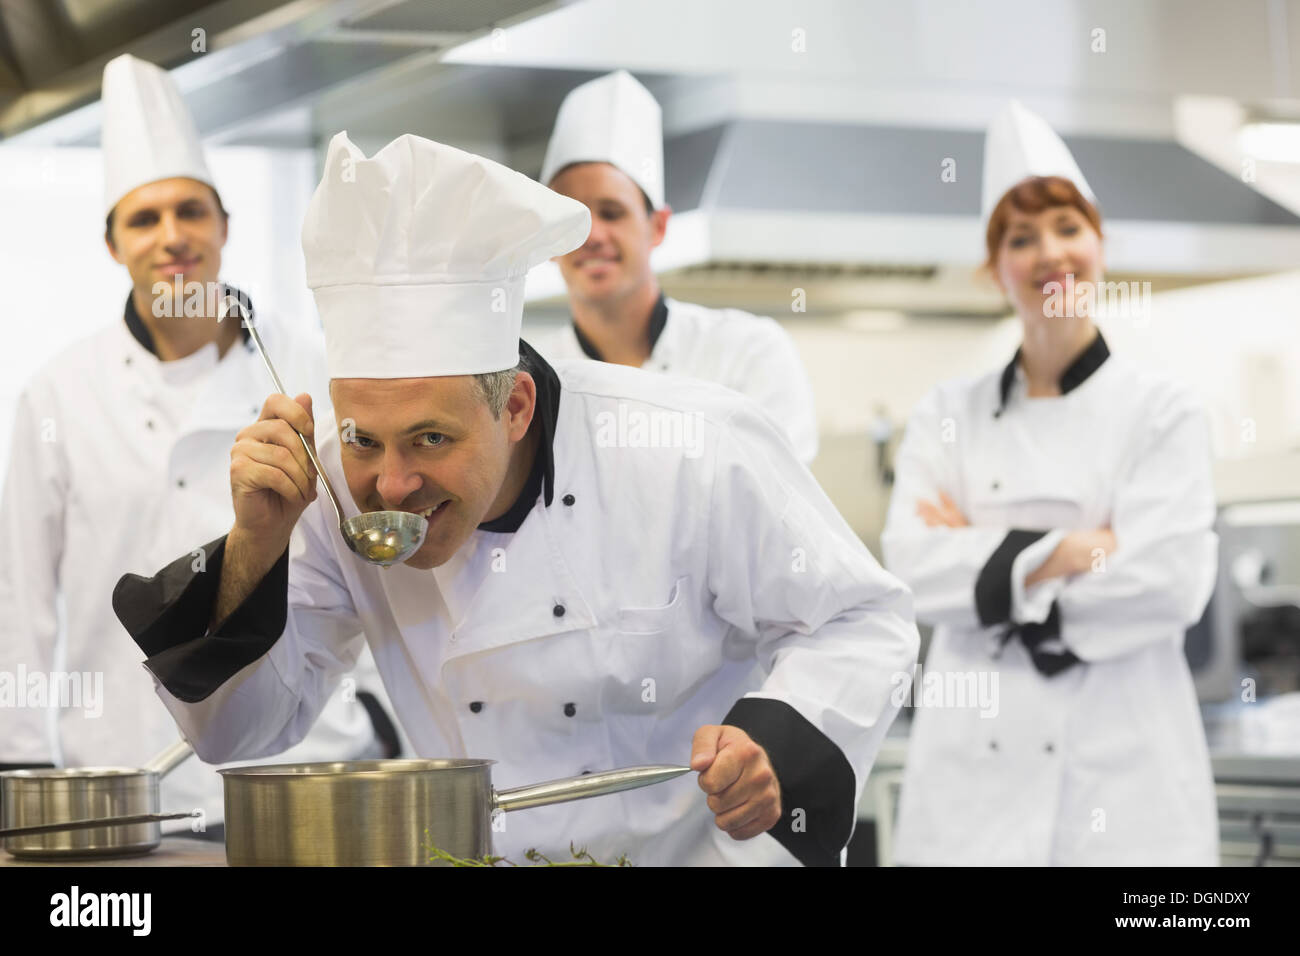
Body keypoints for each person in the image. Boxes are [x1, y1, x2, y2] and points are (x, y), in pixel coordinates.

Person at [111, 131, 919, 866]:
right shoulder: (328, 493)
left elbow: (863, 620)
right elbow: (235, 735)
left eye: (430, 439)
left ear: (516, 406)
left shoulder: (687, 448)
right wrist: (256, 545)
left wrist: (775, 742)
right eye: (364, 439)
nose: (390, 486)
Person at [0, 55, 394, 835]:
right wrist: (21, 765)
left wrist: (377, 721)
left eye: (190, 210)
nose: (172, 236)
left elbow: (374, 561)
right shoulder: (58, 391)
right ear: (114, 245)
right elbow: (20, 597)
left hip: (297, 770)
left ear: (225, 227)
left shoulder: (311, 364)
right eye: (144, 219)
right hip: (117, 778)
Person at [881, 101, 1219, 865]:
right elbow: (909, 570)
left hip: (1123, 788)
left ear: (1100, 245)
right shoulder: (948, 411)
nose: (1048, 254)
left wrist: (982, 558)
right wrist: (1073, 551)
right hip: (972, 797)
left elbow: (1169, 582)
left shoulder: (1161, 410)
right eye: (1020, 237)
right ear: (993, 266)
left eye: (1068, 228)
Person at [533, 70, 819, 464]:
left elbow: (771, 504)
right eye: (573, 219)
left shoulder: (747, 353)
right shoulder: (530, 380)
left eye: (612, 213)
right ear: (549, 238)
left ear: (658, 226)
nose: (592, 234)